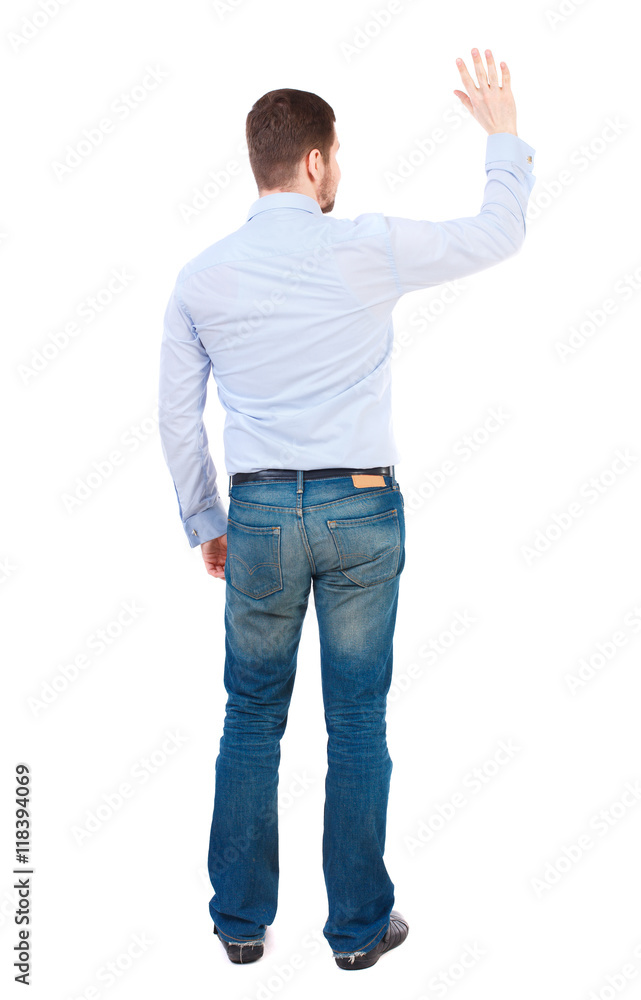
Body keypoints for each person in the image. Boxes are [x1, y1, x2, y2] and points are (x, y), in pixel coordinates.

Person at [158, 48, 536, 971]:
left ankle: (240, 923)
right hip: (360, 510)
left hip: (256, 517)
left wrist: (207, 522)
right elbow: (496, 234)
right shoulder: (366, 244)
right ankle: (359, 934)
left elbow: (176, 417)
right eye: (338, 157)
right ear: (317, 159)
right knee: (357, 721)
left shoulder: (201, 277)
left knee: (251, 717)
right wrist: (502, 138)